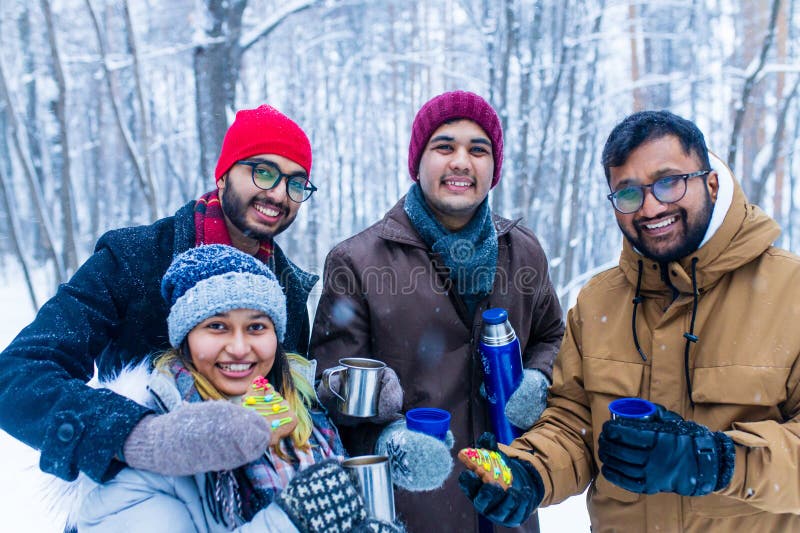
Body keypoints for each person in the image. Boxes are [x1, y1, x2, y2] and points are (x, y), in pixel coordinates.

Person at [459, 110, 800, 532]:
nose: (651, 206)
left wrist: (719, 461)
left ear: (710, 183)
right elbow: (574, 423)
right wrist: (529, 473)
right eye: (628, 193)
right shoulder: (599, 301)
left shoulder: (791, 293)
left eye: (669, 182)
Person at [0, 104, 320, 485]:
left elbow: (285, 398)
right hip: (137, 502)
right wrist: (138, 435)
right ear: (223, 177)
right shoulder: (134, 260)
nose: (279, 194)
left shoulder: (286, 288)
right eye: (263, 172)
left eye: (296, 183)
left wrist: (335, 394)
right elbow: (18, 375)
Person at [311, 90, 565, 532]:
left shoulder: (523, 252)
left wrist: (538, 377)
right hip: (411, 511)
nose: (461, 162)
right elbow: (332, 391)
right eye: (444, 146)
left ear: (493, 167)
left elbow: (553, 336)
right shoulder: (358, 261)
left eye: (478, 149)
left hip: (508, 504)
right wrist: (390, 441)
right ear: (419, 161)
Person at [67, 244, 398, 532]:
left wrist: (394, 448)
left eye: (256, 326)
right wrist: (291, 521)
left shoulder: (304, 410)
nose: (239, 348)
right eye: (216, 326)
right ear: (185, 338)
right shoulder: (151, 438)